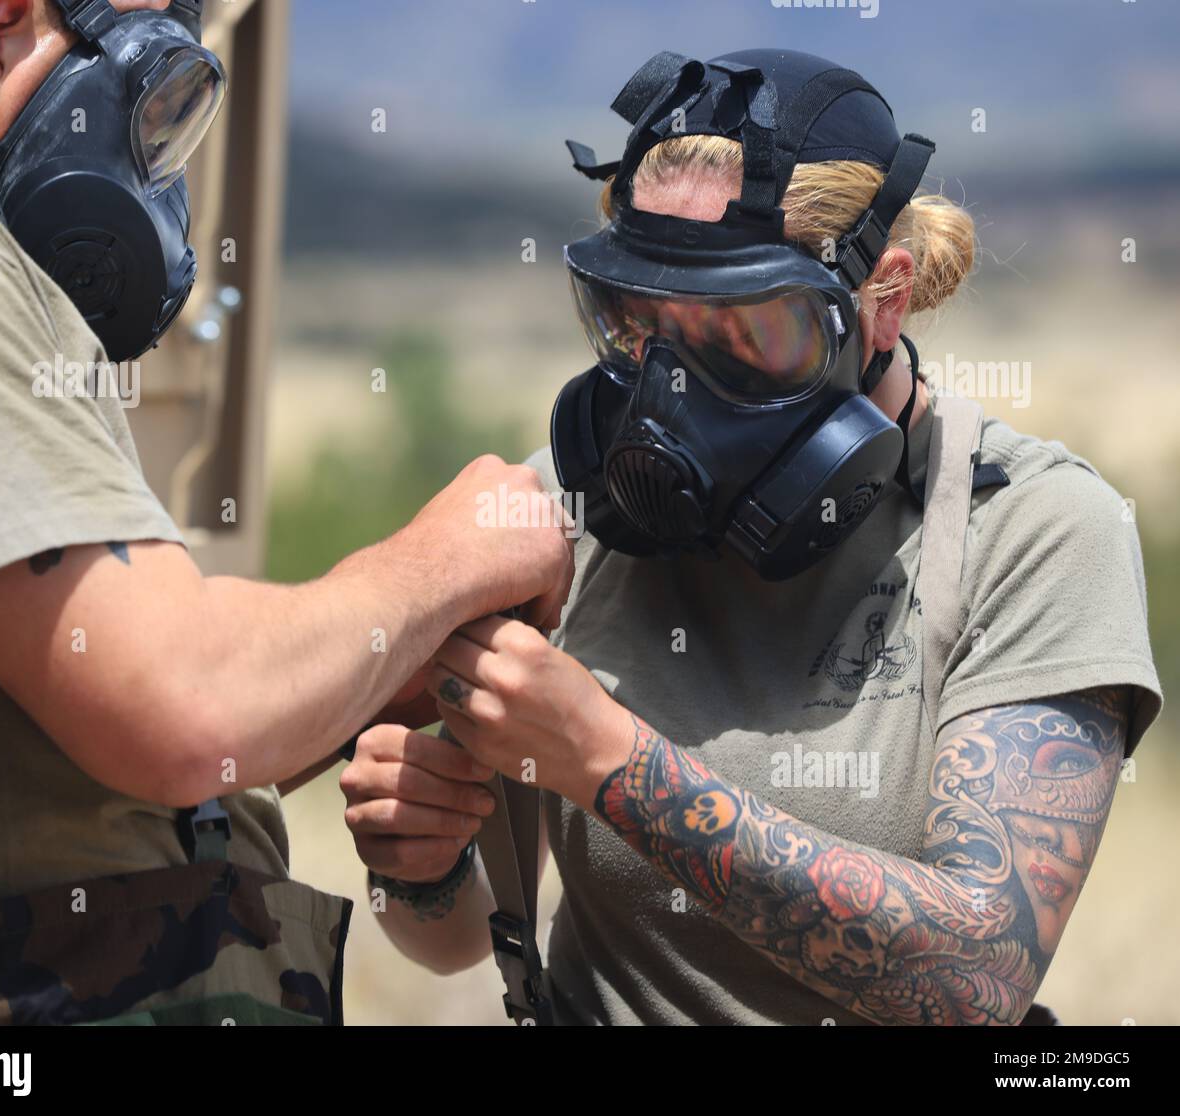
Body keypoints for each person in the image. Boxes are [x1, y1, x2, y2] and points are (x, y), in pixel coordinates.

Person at [343, 48, 1163, 1025]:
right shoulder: (570, 518)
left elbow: (973, 975)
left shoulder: (1030, 531)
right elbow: (457, 945)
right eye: (640, 323)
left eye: (748, 331)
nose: (673, 393)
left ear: (884, 300)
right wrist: (425, 865)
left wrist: (607, 760)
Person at [0, 0, 571, 1026]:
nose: (155, 170)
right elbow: (183, 707)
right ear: (0, 34)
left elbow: (92, 747)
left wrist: (391, 666)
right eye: (153, 96)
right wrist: (448, 559)